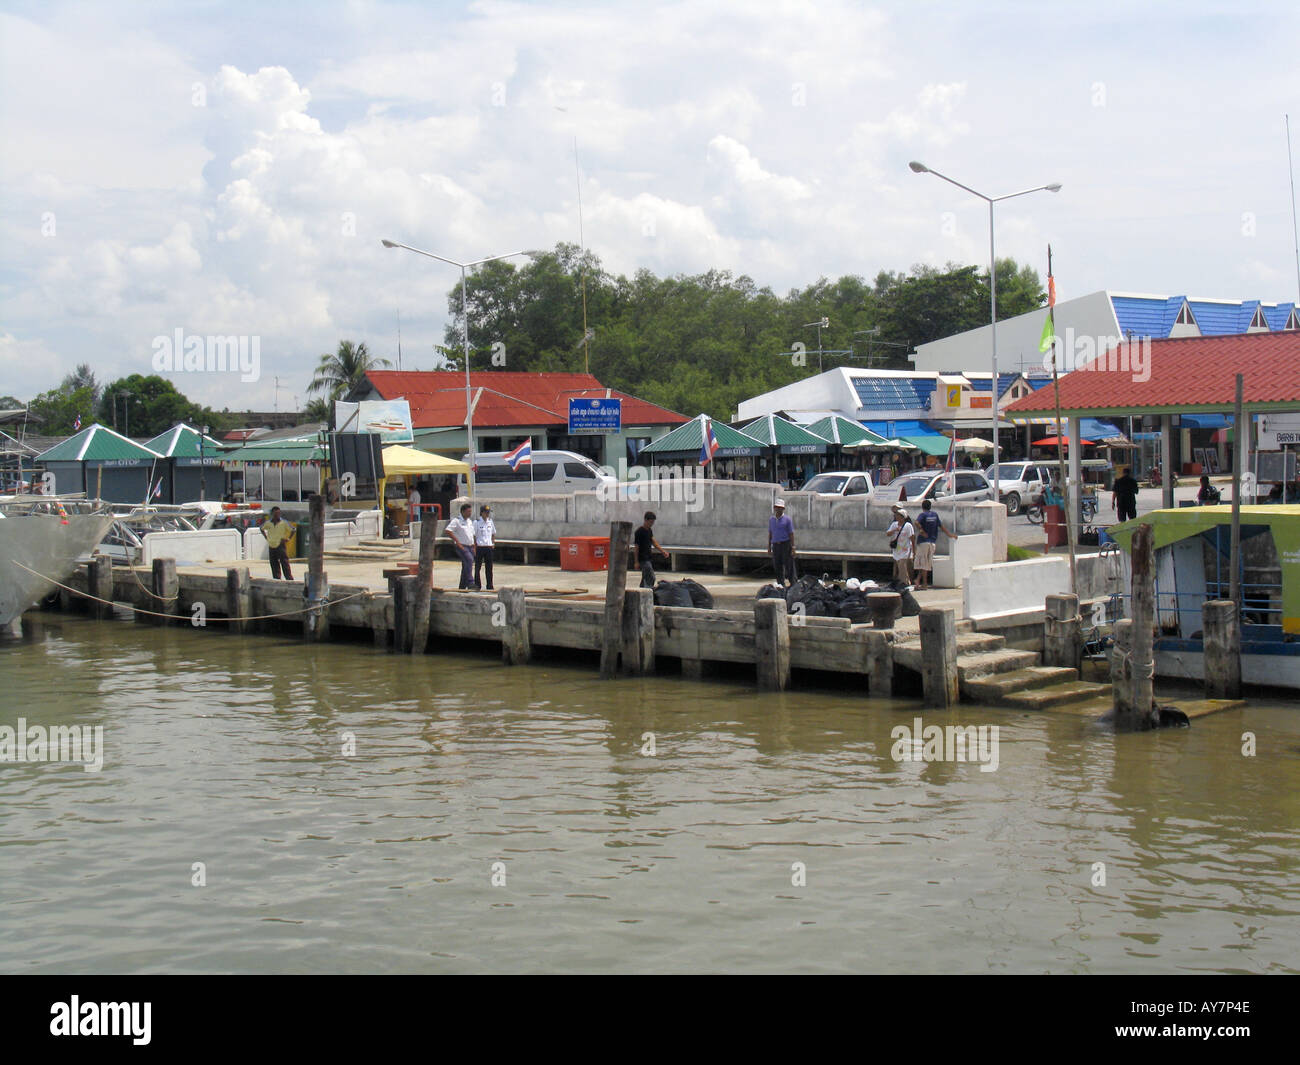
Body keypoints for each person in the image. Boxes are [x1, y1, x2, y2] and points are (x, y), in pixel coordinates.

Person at [912, 499, 953, 590]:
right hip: (932, 542)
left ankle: (924, 584)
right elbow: (941, 527)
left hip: (923, 541)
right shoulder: (935, 515)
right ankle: (918, 581)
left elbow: (916, 522)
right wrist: (950, 535)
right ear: (930, 507)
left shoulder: (922, 515)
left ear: (922, 507)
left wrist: (921, 530)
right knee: (926, 564)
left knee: (922, 563)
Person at [445, 502, 476, 590]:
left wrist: (474, 546)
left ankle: (462, 586)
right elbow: (448, 530)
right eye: (468, 511)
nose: (470, 513)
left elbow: (472, 534)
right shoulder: (457, 521)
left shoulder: (469, 521)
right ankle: (470, 582)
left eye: (470, 511)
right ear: (463, 512)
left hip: (470, 546)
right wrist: (457, 542)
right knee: (469, 560)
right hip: (462, 546)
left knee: (466, 565)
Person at [634, 511, 668, 589]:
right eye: (651, 522)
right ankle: (648, 592)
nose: (652, 524)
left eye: (653, 522)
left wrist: (662, 551)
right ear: (645, 520)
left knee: (645, 577)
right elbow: (636, 547)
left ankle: (641, 592)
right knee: (651, 577)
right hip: (643, 559)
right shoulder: (639, 532)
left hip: (648, 557)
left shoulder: (649, 530)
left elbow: (653, 542)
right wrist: (636, 562)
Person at [261, 506, 295, 580]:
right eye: (276, 513)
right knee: (274, 563)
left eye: (279, 513)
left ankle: (289, 578)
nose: (277, 515)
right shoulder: (268, 523)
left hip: (280, 544)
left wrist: (288, 538)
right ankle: (276, 578)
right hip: (271, 545)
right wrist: (265, 537)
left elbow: (293, 529)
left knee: (284, 562)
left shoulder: (284, 522)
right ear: (272, 514)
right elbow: (261, 528)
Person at [768, 498, 796, 587]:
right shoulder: (771, 520)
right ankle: (781, 584)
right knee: (777, 566)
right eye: (777, 507)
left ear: (783, 509)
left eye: (781, 508)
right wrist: (769, 546)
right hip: (776, 545)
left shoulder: (787, 520)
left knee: (789, 566)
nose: (779, 509)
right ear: (774, 508)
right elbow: (770, 533)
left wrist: (793, 547)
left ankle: (793, 584)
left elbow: (791, 533)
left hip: (785, 544)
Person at [887, 505, 915, 584]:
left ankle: (905, 582)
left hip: (905, 549)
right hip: (897, 549)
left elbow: (912, 538)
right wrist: (894, 530)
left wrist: (914, 550)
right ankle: (901, 581)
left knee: (902, 566)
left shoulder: (908, 526)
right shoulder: (894, 524)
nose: (896, 516)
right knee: (899, 567)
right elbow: (888, 533)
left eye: (898, 515)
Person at [473, 504, 497, 591]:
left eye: (488, 512)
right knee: (477, 567)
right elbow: (474, 536)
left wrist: (493, 543)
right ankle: (477, 584)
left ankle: (489, 585)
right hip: (480, 547)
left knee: (489, 567)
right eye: (486, 512)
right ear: (481, 513)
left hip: (488, 547)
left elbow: (493, 533)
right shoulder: (476, 522)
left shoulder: (490, 522)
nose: (487, 514)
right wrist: (474, 547)